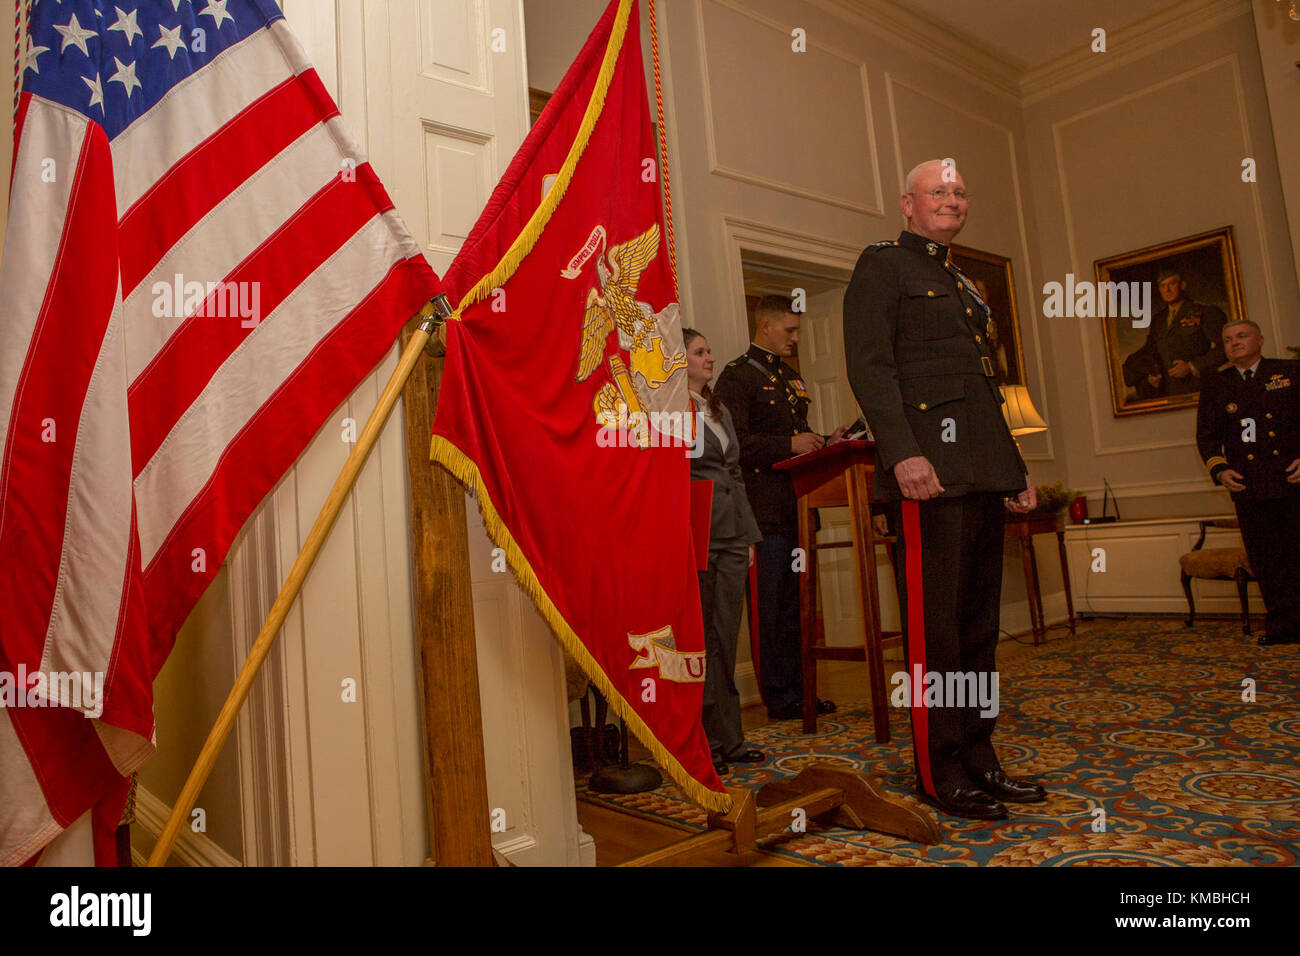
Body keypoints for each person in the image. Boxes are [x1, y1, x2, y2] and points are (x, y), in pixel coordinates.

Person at [842, 158, 1045, 821]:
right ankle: (940, 769)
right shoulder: (884, 266)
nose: (953, 200)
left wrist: (1011, 470)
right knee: (938, 636)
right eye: (939, 192)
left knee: (980, 629)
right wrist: (902, 454)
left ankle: (981, 757)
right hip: (928, 473)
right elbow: (871, 367)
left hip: (981, 471)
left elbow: (983, 384)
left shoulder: (960, 281)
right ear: (908, 203)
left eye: (960, 190)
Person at [715, 296, 843, 721]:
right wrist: (789, 444)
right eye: (788, 330)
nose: (795, 337)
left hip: (797, 507)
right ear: (765, 326)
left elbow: (798, 435)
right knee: (771, 607)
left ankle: (802, 690)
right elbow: (733, 442)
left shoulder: (790, 377)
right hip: (763, 511)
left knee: (797, 606)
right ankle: (779, 696)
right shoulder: (738, 377)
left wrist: (826, 439)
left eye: (797, 329)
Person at [683, 329, 767, 774]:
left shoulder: (720, 409)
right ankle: (709, 740)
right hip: (700, 535)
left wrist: (749, 536)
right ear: (680, 361)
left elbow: (735, 473)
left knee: (728, 636)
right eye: (700, 352)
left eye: (708, 349)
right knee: (707, 640)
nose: (710, 357)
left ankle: (731, 739)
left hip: (734, 534)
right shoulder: (669, 411)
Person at [1195, 319, 1300, 645]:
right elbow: (1207, 436)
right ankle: (1283, 627)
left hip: (1292, 479)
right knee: (1266, 559)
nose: (1234, 343)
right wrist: (1219, 470)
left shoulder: (1288, 372)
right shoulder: (1217, 383)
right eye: (1228, 339)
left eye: (1241, 336)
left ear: (1260, 340)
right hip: (1248, 486)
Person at [1122, 269, 1227, 400]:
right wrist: (1149, 376)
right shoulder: (1158, 320)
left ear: (1182, 285)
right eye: (1163, 286)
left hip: (1200, 391)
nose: (1167, 290)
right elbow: (1151, 352)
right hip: (1169, 393)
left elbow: (1226, 348)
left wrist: (1192, 366)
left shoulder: (1205, 312)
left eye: (1172, 284)